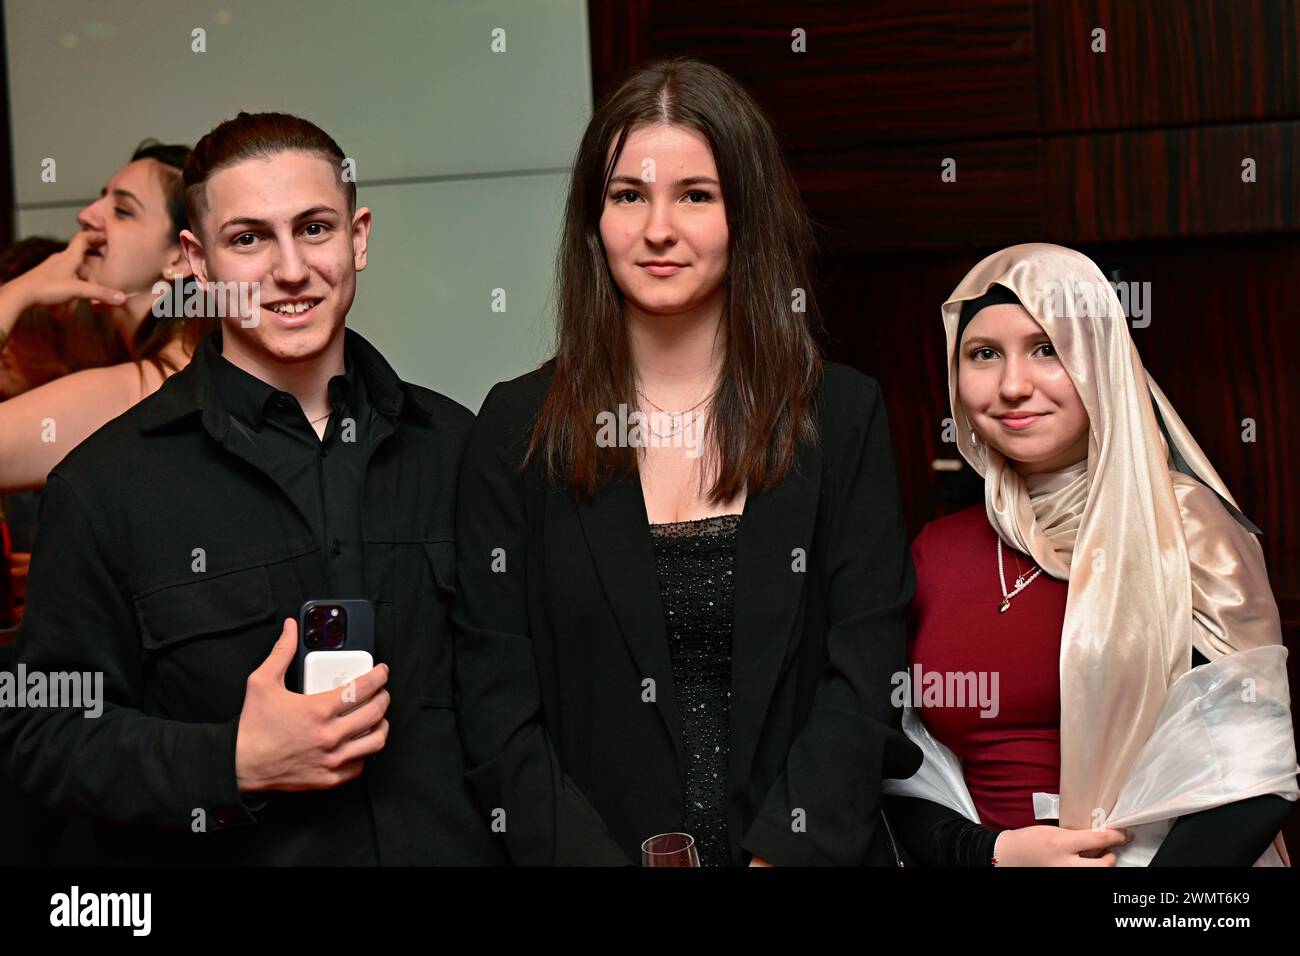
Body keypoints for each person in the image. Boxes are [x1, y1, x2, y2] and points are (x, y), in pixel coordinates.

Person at [0, 112, 505, 864]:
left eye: (314, 228)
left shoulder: (458, 448)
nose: (290, 269)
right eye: (248, 240)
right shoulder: (107, 487)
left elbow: (523, 699)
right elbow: (45, 734)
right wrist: (231, 760)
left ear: (358, 236)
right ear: (197, 264)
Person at [452, 58, 920, 866]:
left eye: (694, 195)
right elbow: (494, 707)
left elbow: (865, 675)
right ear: (592, 220)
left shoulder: (841, 418)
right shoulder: (516, 428)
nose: (657, 228)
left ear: (747, 213)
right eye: (628, 195)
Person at [884, 242, 1298, 866]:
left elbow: (1252, 771)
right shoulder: (934, 550)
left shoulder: (1186, 527)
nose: (1013, 386)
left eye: (1048, 348)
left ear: (1102, 359)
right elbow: (899, 765)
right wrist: (991, 854)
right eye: (984, 355)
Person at [0, 141, 216, 492]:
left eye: (122, 210)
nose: (86, 216)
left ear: (179, 257)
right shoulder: (188, 371)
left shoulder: (133, 393)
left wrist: (18, 292)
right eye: (101, 199)